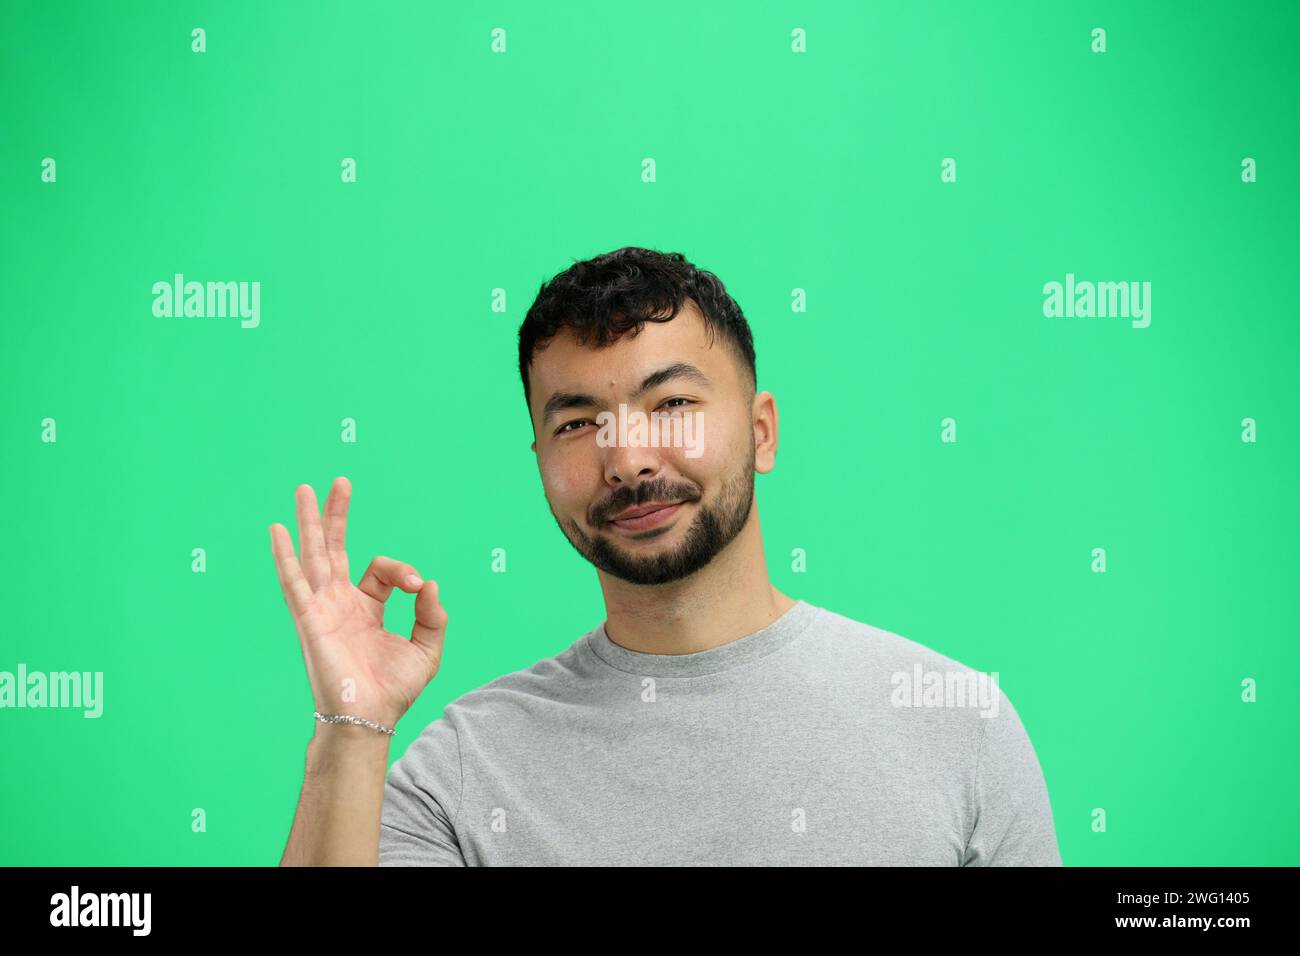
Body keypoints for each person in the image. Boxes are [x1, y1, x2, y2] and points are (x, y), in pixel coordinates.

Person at [274, 246, 1062, 866]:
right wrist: (350, 731)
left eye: (673, 405)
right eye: (579, 424)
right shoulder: (463, 770)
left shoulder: (956, 724)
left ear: (762, 431)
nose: (628, 461)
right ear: (540, 460)